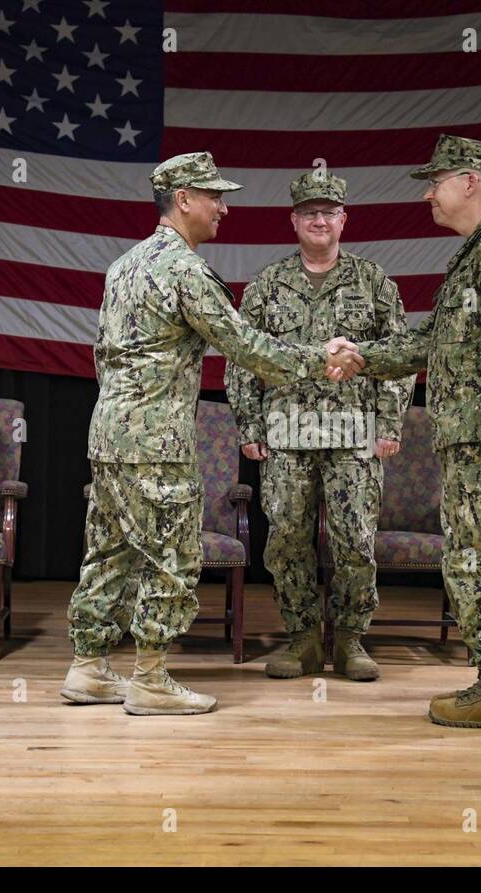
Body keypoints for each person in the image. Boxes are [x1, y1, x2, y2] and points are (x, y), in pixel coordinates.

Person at [60, 152, 365, 716]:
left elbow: (102, 355)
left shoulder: (122, 266)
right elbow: (246, 345)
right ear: (183, 200)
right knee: (169, 556)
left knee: (108, 550)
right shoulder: (184, 270)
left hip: (108, 434)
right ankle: (150, 677)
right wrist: (317, 357)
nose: (223, 207)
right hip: (157, 442)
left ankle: (88, 668)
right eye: (214, 196)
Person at [350, 135, 481, 729]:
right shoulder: (476, 252)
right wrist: (359, 356)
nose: (428, 194)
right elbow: (429, 343)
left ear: (470, 181)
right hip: (468, 435)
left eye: (436, 181)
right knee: (472, 557)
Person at [225, 170, 414, 681]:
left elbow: (399, 357)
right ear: (294, 220)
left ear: (343, 219)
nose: (319, 221)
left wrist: (389, 423)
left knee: (354, 538)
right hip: (287, 435)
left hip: (355, 436)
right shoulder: (267, 286)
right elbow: (242, 359)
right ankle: (303, 639)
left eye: (329, 212)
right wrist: (250, 424)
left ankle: (351, 640)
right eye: (310, 212)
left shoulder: (373, 282)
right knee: (287, 538)